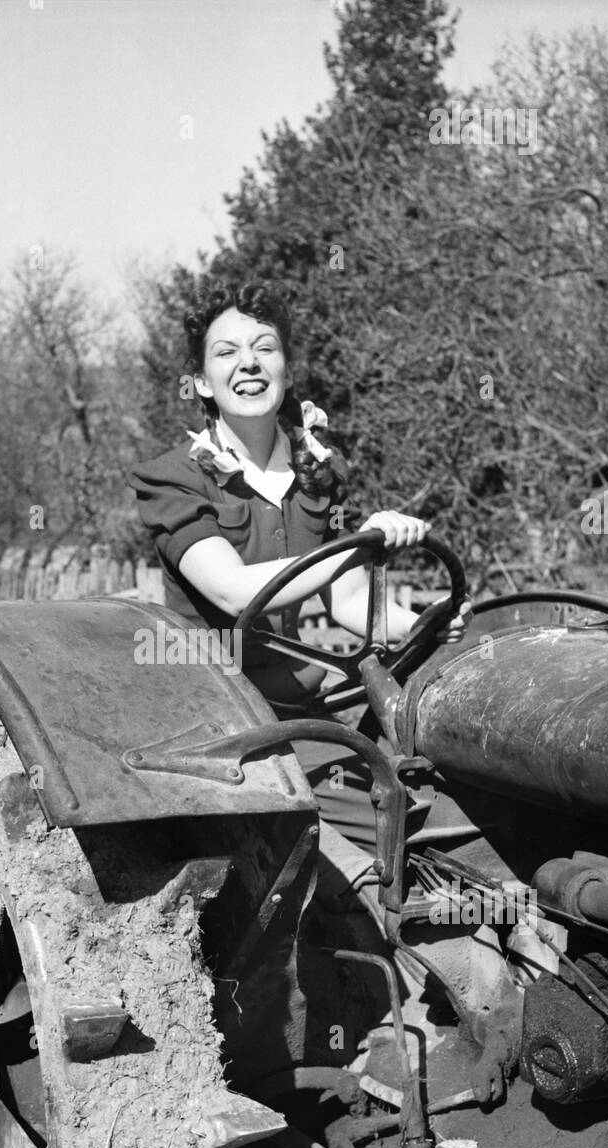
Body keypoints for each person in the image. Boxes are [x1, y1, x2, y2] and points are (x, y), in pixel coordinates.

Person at [129, 281, 470, 859]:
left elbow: (350, 603)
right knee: (376, 829)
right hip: (213, 719)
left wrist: (417, 622)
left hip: (299, 711)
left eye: (265, 347)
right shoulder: (173, 480)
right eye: (227, 352)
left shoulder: (321, 474)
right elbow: (237, 591)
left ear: (285, 367)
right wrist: (366, 540)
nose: (249, 364)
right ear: (202, 382)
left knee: (434, 797)